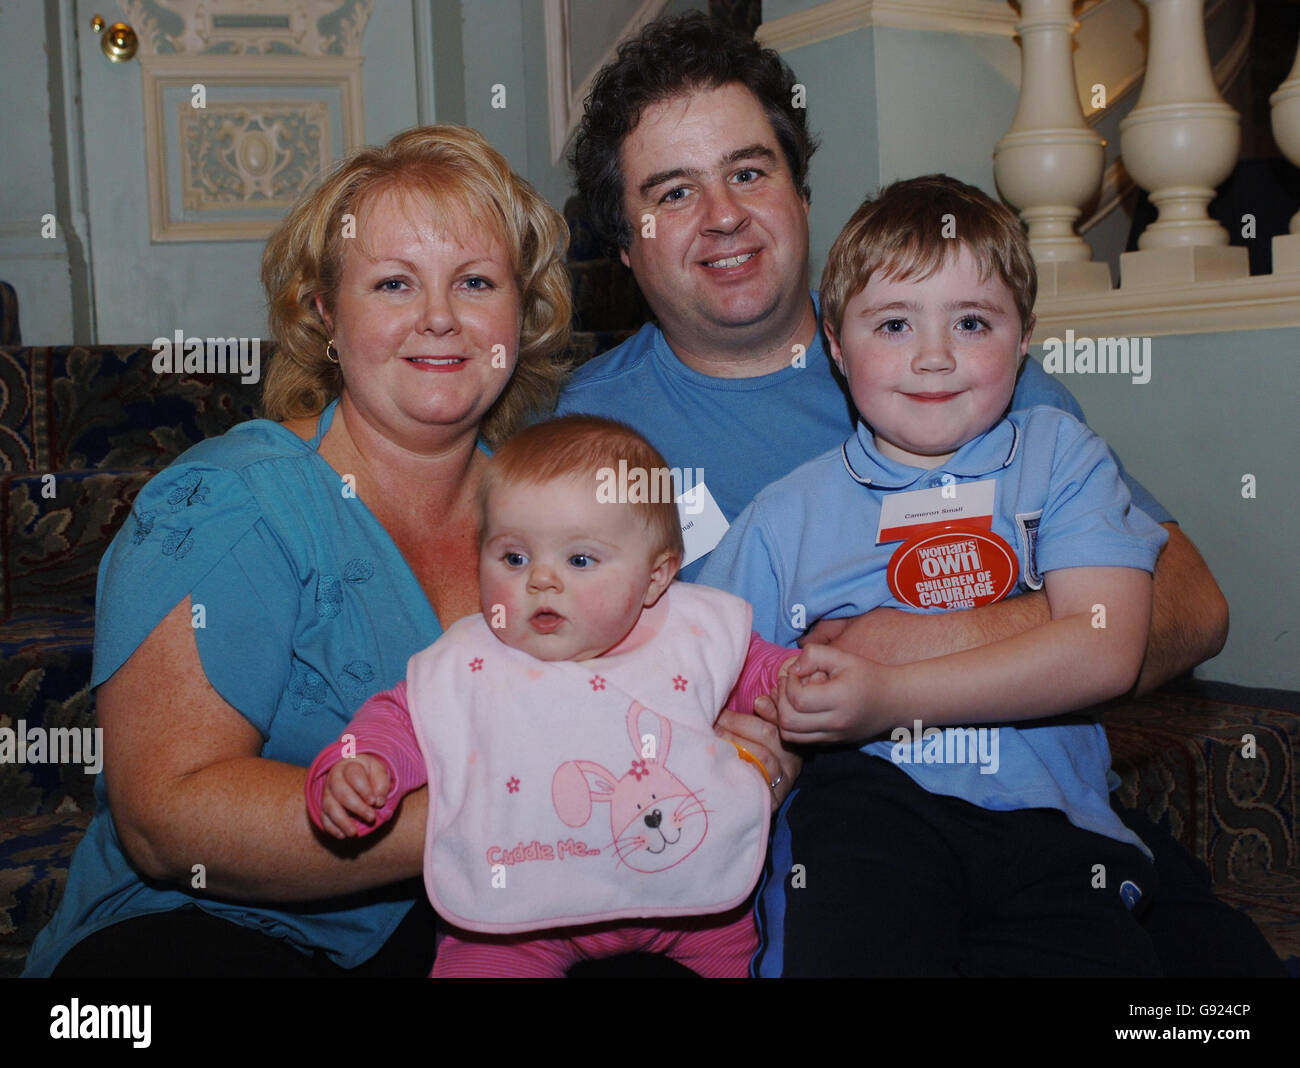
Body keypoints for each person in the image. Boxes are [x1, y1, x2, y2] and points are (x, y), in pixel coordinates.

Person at [557, 12, 1283, 976]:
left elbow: (1192, 607)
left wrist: (901, 648)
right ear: (625, 242)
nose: (723, 214)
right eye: (673, 191)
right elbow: (598, 689)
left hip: (1045, 828)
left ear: (798, 190)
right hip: (834, 855)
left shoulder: (965, 369)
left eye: (749, 170)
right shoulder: (583, 434)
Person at [24, 125, 583, 977]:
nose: (440, 317)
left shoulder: (562, 517)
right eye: (394, 283)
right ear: (324, 312)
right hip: (212, 932)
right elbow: (166, 814)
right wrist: (494, 816)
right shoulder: (228, 502)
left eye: (475, 281)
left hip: (475, 936)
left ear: (523, 312)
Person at [699, 174, 1170, 974]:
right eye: (893, 324)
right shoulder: (788, 517)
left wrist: (888, 696)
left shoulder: (1059, 457)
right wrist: (762, 742)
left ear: (1024, 339)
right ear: (837, 346)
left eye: (973, 322)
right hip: (868, 815)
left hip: (1054, 825)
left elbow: (1105, 647)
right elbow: (696, 676)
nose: (934, 356)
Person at [304, 416, 798, 977]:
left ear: (656, 578)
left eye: (579, 560)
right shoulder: (470, 660)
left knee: (767, 956)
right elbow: (400, 719)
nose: (541, 579)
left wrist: (798, 683)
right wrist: (361, 765)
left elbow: (759, 669)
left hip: (694, 902)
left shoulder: (691, 630)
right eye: (514, 558)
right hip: (519, 916)